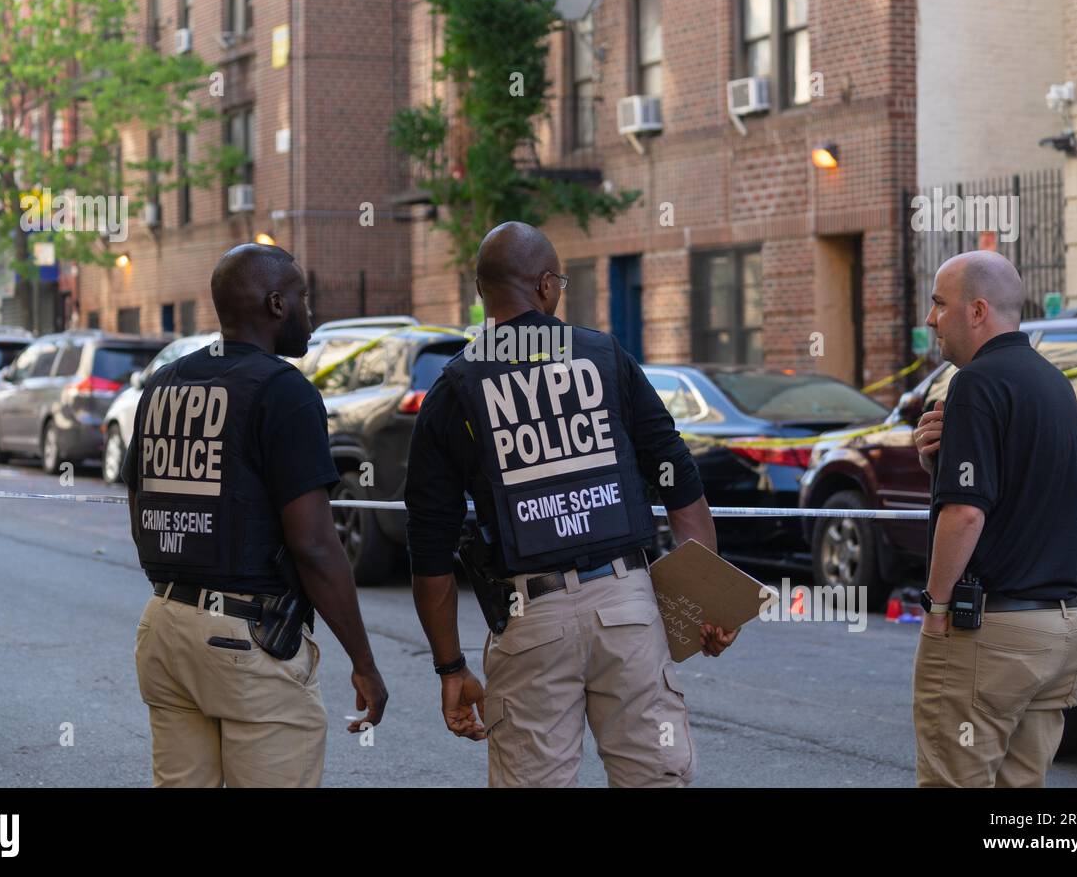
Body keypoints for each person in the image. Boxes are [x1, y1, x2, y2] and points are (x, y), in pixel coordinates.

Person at [405, 221, 736, 788]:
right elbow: (678, 480)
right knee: (657, 777)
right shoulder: (604, 356)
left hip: (531, 618)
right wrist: (705, 601)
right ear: (544, 286)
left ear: (481, 291)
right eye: (558, 280)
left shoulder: (455, 386)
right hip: (628, 607)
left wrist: (450, 666)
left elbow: (430, 549)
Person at [124, 243, 387, 787]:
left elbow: (139, 496)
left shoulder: (164, 384)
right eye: (303, 298)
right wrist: (363, 661)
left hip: (165, 628)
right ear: (275, 305)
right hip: (246, 641)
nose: (309, 313)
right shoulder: (284, 392)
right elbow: (314, 546)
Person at [912, 250, 1077, 787]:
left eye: (939, 304)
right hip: (1058, 630)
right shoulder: (1055, 385)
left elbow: (966, 513)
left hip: (992, 632)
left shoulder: (975, 384)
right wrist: (937, 464)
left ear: (976, 310)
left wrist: (936, 607)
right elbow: (1020, 492)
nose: (929, 319)